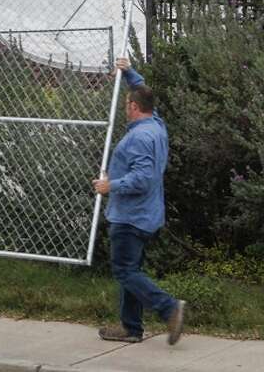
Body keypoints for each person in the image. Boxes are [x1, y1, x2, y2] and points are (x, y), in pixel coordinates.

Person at [92, 57, 186, 345]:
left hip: (131, 216)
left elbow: (142, 178)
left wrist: (110, 186)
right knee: (130, 270)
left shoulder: (140, 138)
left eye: (126, 105)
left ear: (133, 107)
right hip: (145, 215)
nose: (124, 108)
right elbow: (145, 93)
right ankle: (131, 328)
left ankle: (169, 308)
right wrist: (129, 72)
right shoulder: (156, 124)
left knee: (124, 271)